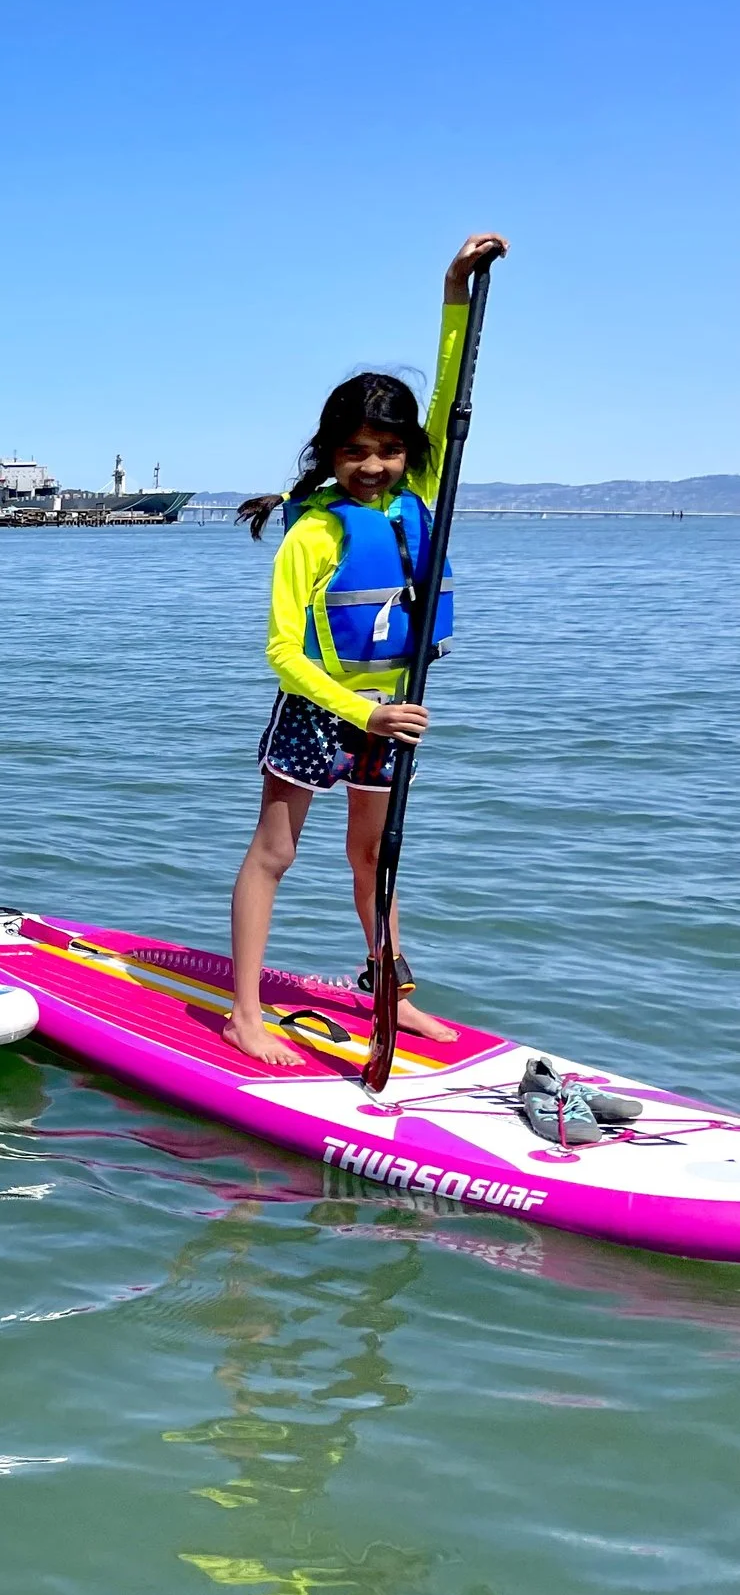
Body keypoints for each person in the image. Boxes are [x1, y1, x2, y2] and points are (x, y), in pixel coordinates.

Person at [223, 233, 507, 1064]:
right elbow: (282, 651)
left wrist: (454, 294)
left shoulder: (422, 489)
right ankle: (244, 1011)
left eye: (386, 451)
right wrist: (364, 712)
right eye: (355, 452)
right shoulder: (312, 532)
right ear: (330, 453)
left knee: (375, 855)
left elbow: (452, 394)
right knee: (273, 853)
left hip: (396, 713)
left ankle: (387, 991)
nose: (373, 466)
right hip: (323, 709)